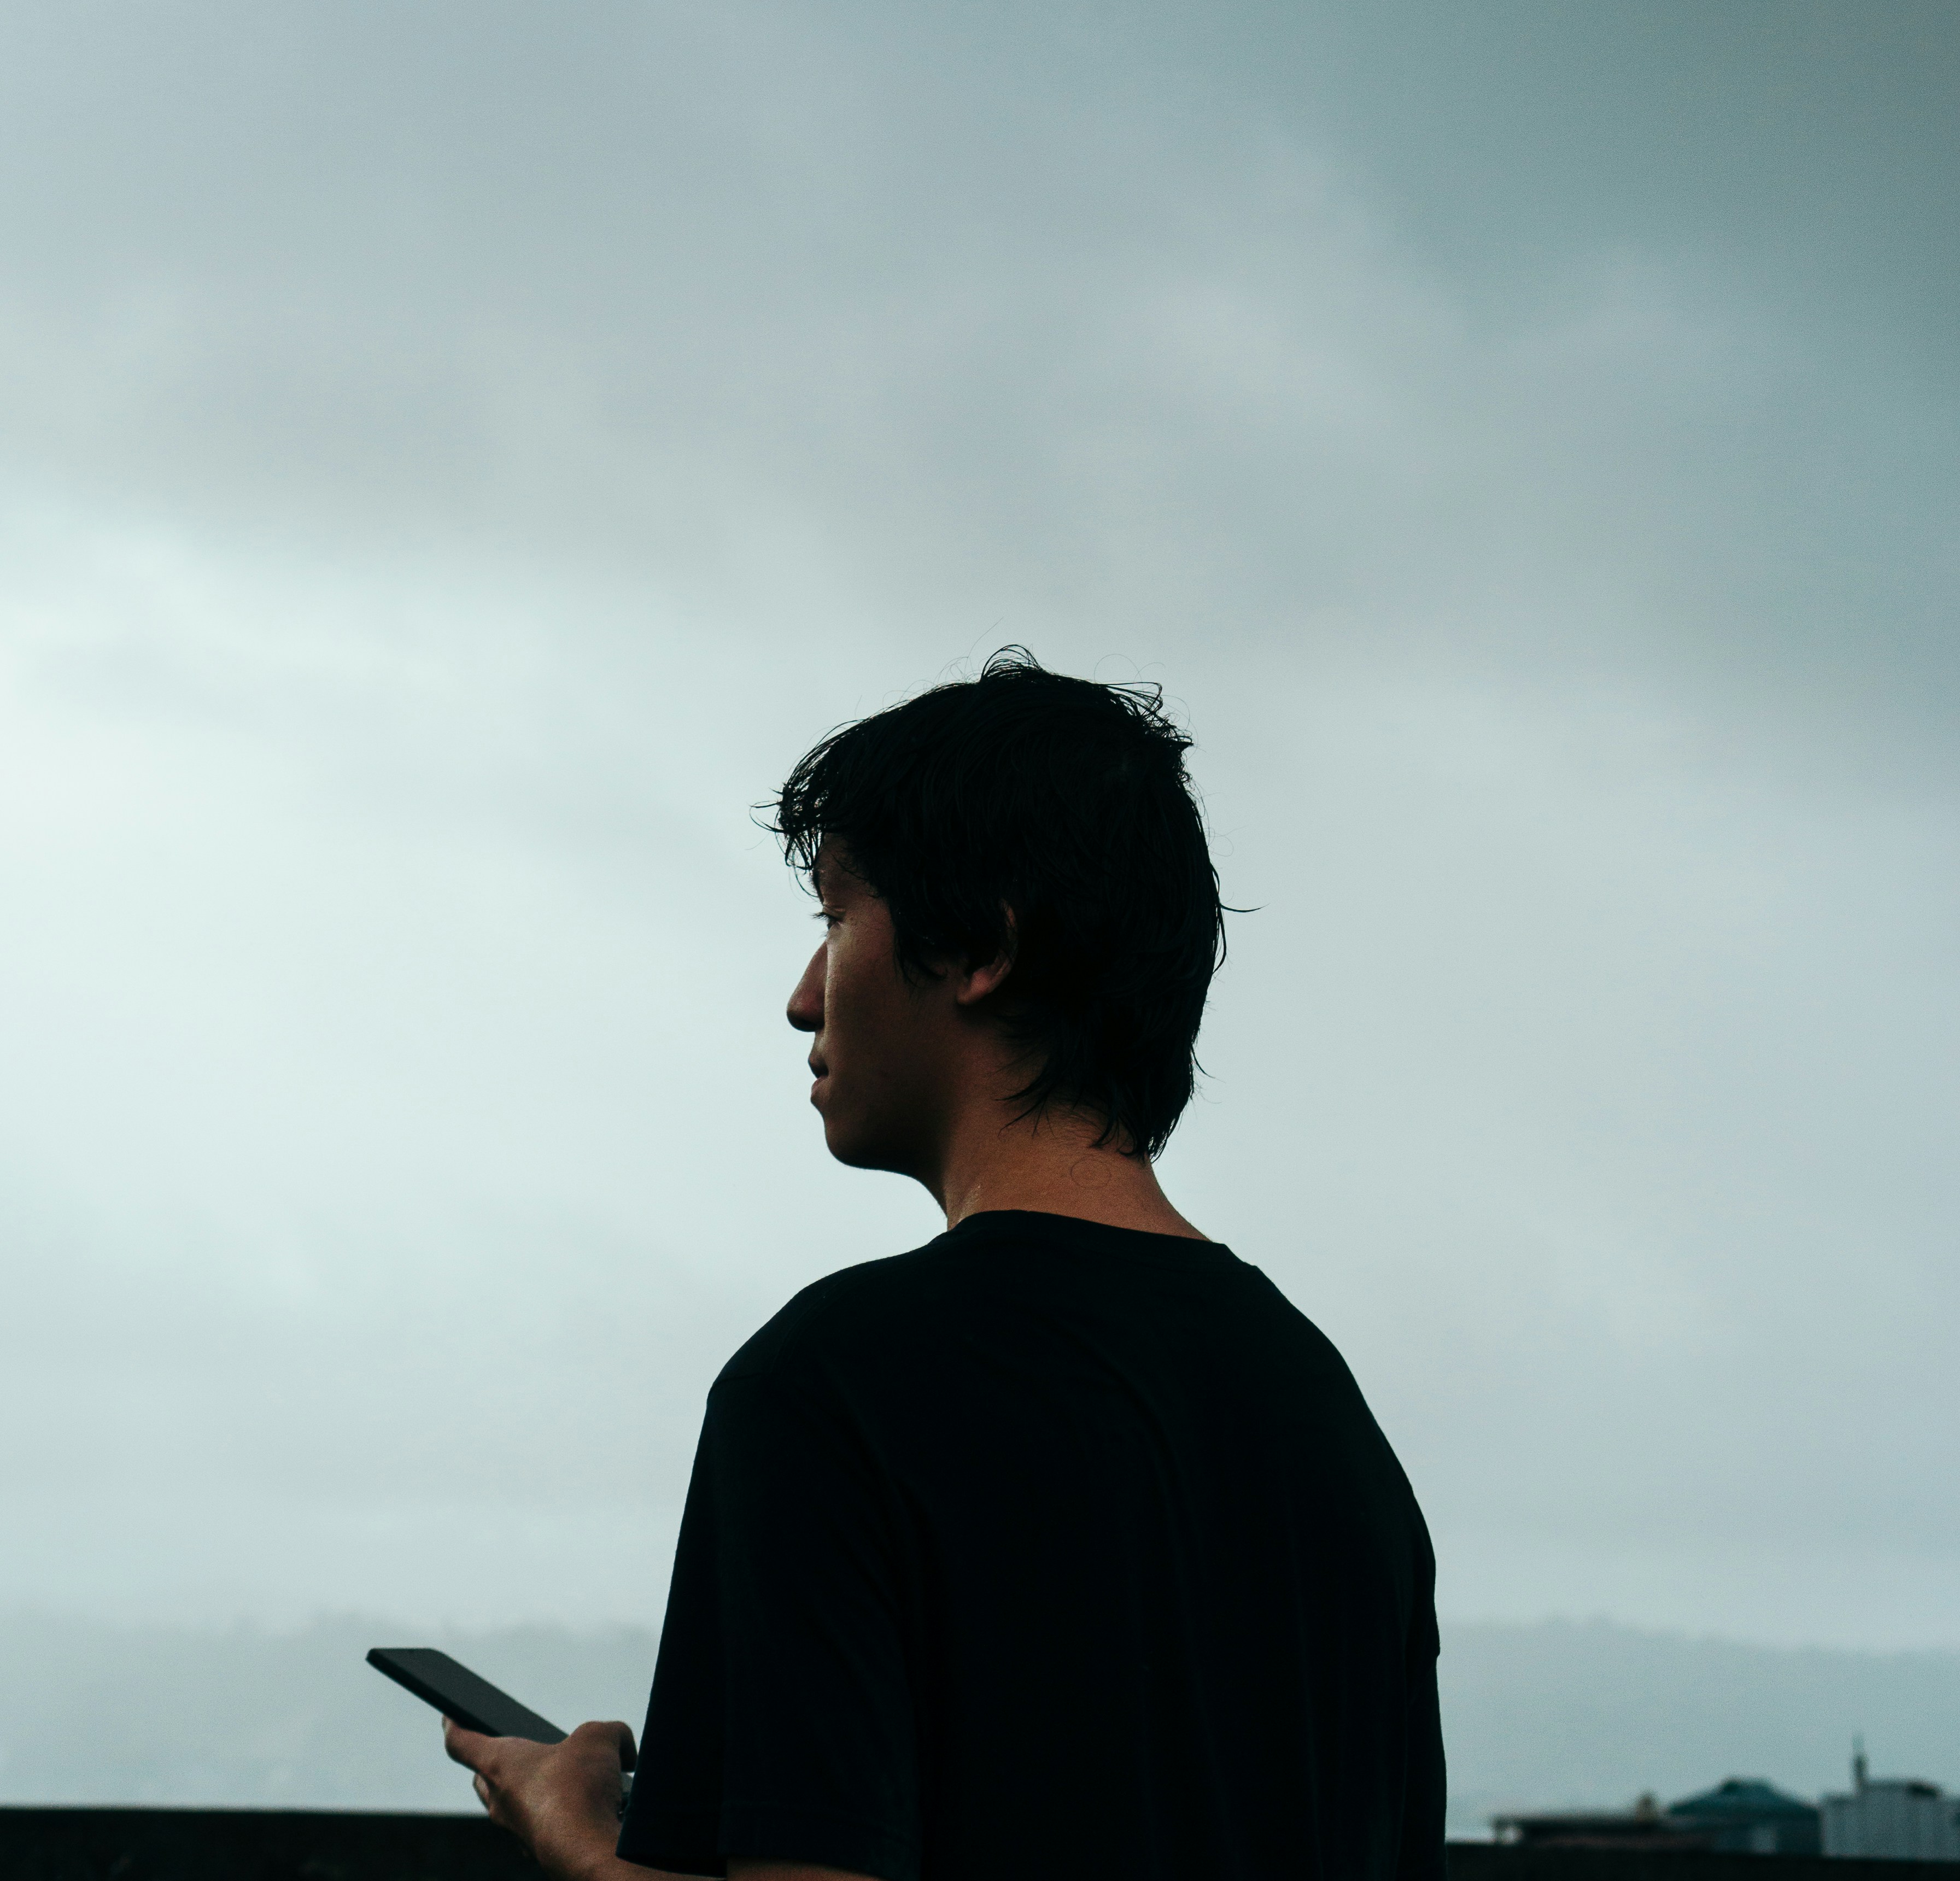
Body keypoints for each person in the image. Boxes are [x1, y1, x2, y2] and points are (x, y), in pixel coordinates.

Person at [445, 650, 1445, 1881]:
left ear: (978, 947)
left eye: (833, 917)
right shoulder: (1326, 1420)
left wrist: (577, 1838)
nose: (804, 998)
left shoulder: (832, 1389)